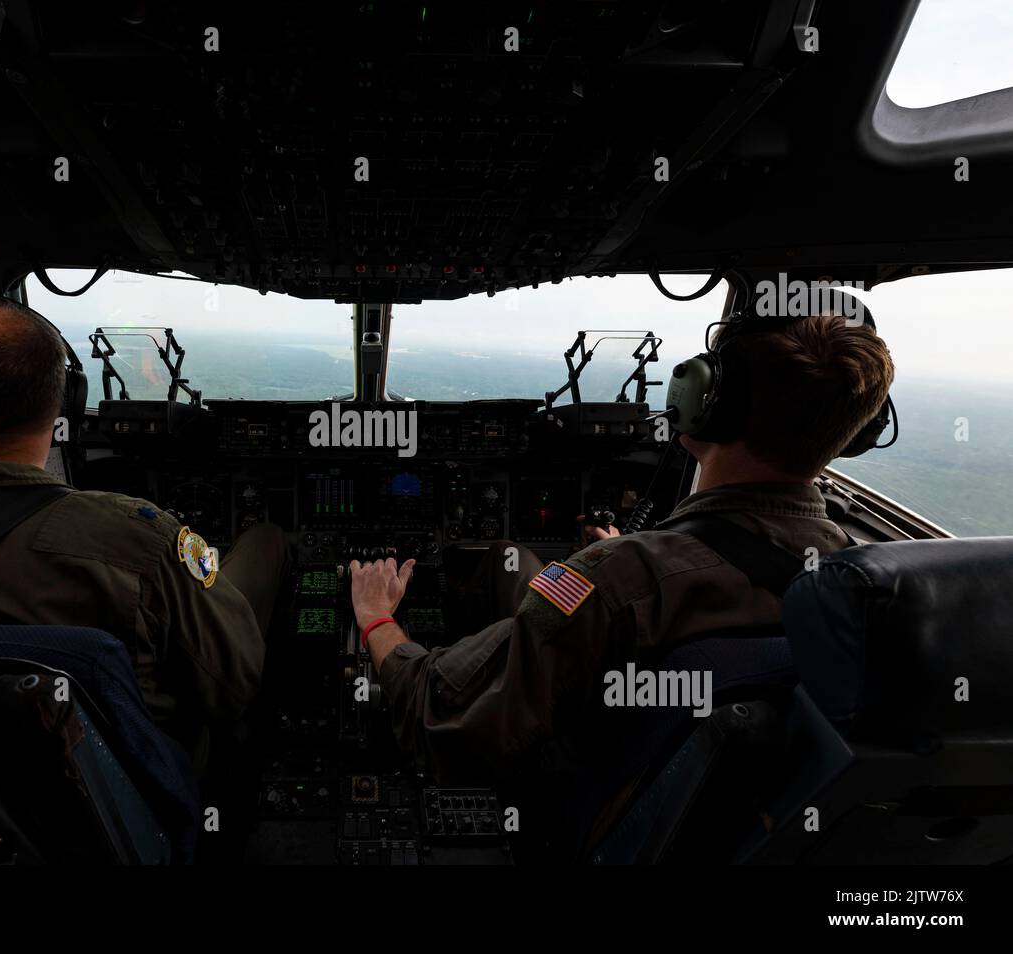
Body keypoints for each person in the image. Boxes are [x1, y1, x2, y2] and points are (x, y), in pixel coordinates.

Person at [349, 310, 895, 825]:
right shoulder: (865, 581)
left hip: (580, 800)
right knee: (505, 558)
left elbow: (441, 720)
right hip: (699, 817)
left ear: (708, 402)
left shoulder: (608, 578)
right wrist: (636, 555)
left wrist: (376, 617)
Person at [0, 298, 287, 771]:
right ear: (67, 401)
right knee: (264, 540)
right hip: (121, 806)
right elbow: (234, 687)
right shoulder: (140, 541)